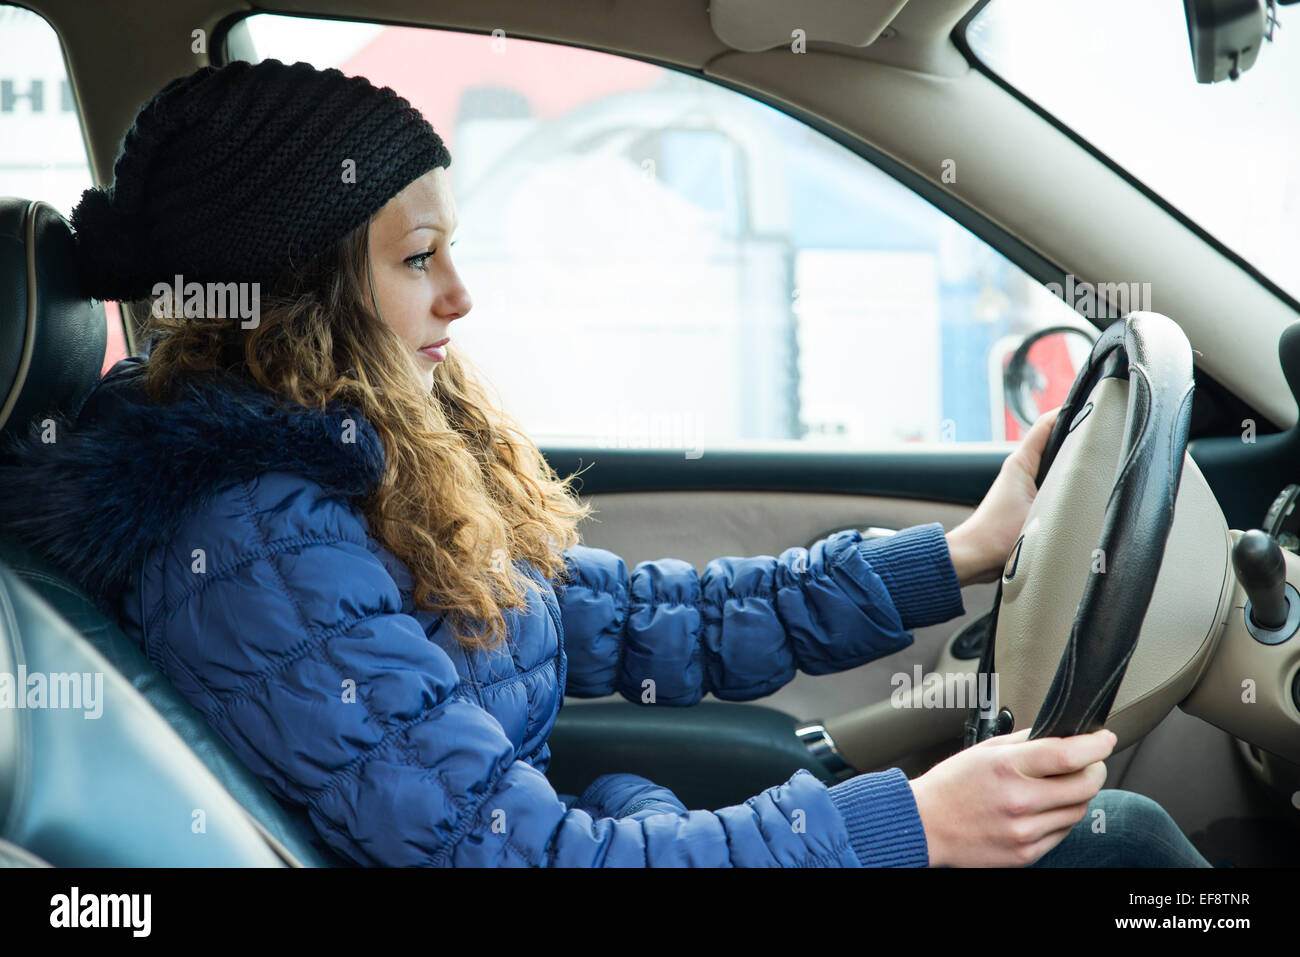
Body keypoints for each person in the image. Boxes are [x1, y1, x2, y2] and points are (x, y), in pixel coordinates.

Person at [0, 58, 1209, 868]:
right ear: (301, 291)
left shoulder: (353, 478)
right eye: (418, 257)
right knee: (1123, 845)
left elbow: (630, 620)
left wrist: (958, 553)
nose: (460, 297)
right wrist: (905, 828)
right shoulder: (257, 548)